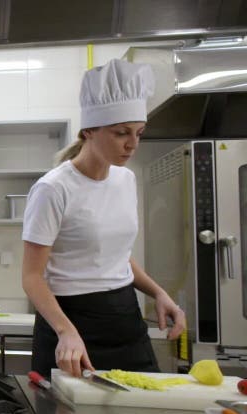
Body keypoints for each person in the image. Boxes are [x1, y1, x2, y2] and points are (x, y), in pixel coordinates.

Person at [21, 59, 187, 379]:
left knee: (139, 407)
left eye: (139, 133)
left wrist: (158, 293)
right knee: (67, 412)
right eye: (121, 133)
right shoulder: (53, 188)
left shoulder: (126, 180)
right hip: (69, 322)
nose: (132, 144)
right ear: (89, 131)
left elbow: (117, 257)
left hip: (125, 318)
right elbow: (32, 277)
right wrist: (66, 331)